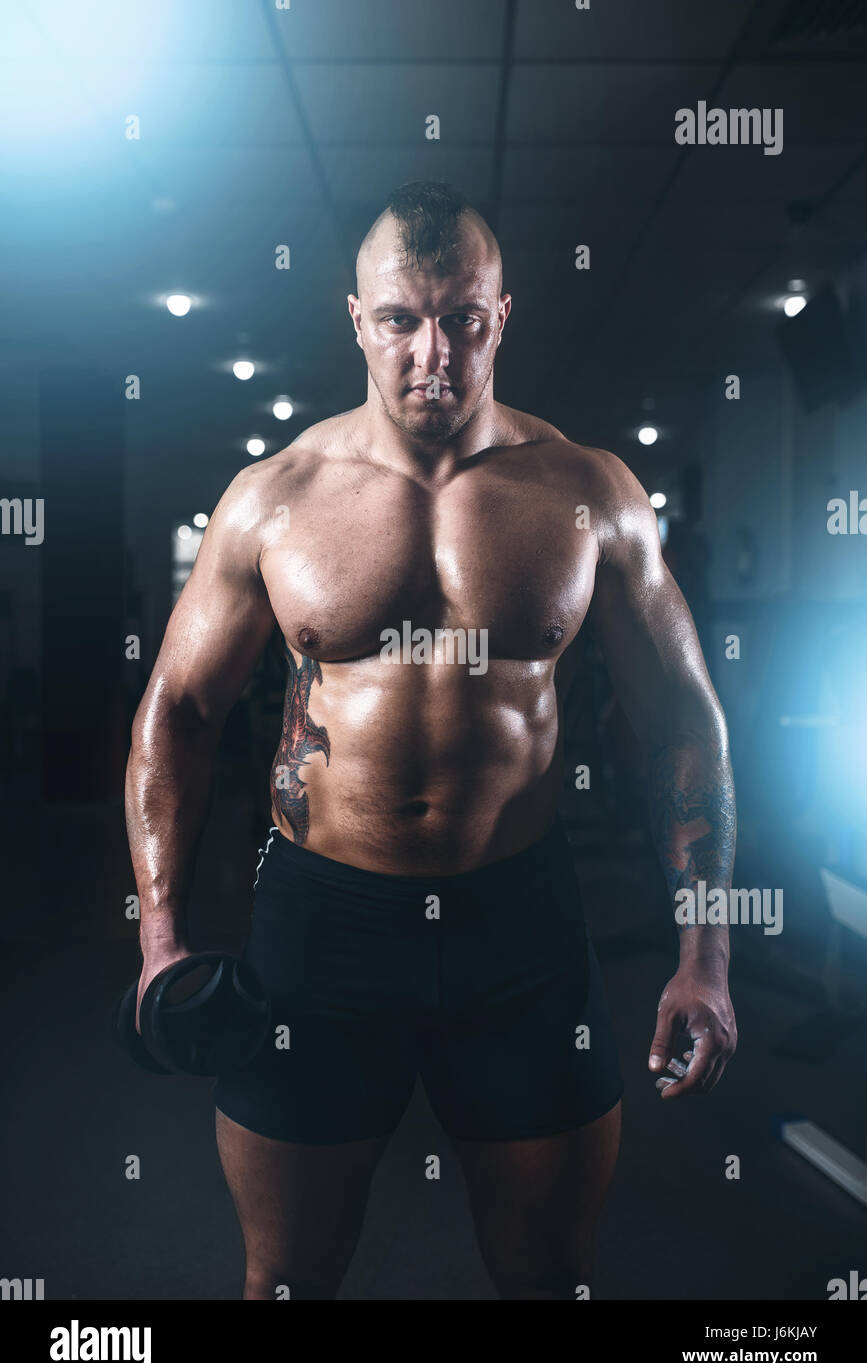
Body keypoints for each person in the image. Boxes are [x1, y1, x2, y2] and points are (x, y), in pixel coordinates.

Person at [125, 180, 737, 1300]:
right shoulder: (273, 500)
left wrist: (707, 954)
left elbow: (682, 720)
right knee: (284, 1281)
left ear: (503, 316)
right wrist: (159, 938)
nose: (432, 351)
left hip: (520, 923)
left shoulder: (589, 492)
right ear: (355, 319)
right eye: (401, 318)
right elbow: (179, 711)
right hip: (324, 923)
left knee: (549, 1275)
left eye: (462, 317)